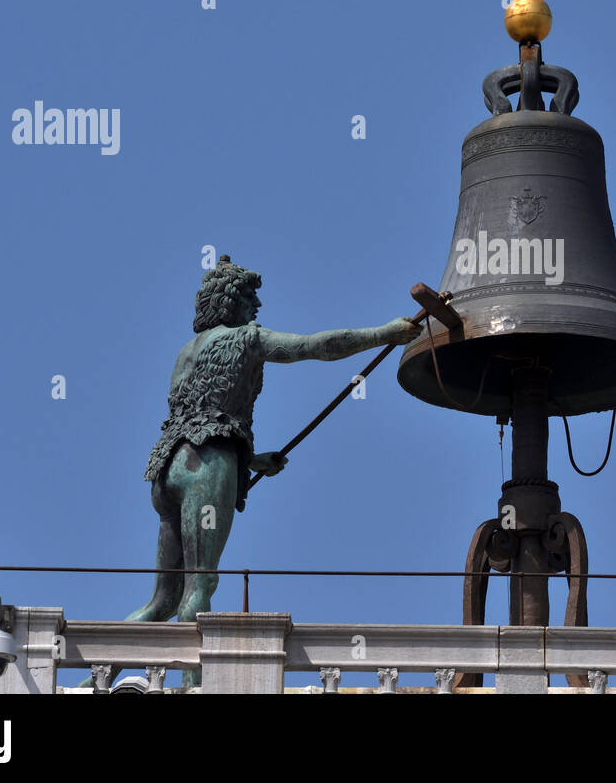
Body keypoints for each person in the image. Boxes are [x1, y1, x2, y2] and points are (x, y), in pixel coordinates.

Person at [85, 255, 418, 689]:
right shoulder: (248, 339)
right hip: (209, 464)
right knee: (199, 587)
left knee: (162, 599)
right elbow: (316, 346)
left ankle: (99, 676)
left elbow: (197, 416)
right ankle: (192, 684)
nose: (256, 307)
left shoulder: (186, 352)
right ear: (229, 302)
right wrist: (385, 334)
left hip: (167, 468)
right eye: (249, 298)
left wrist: (254, 461)